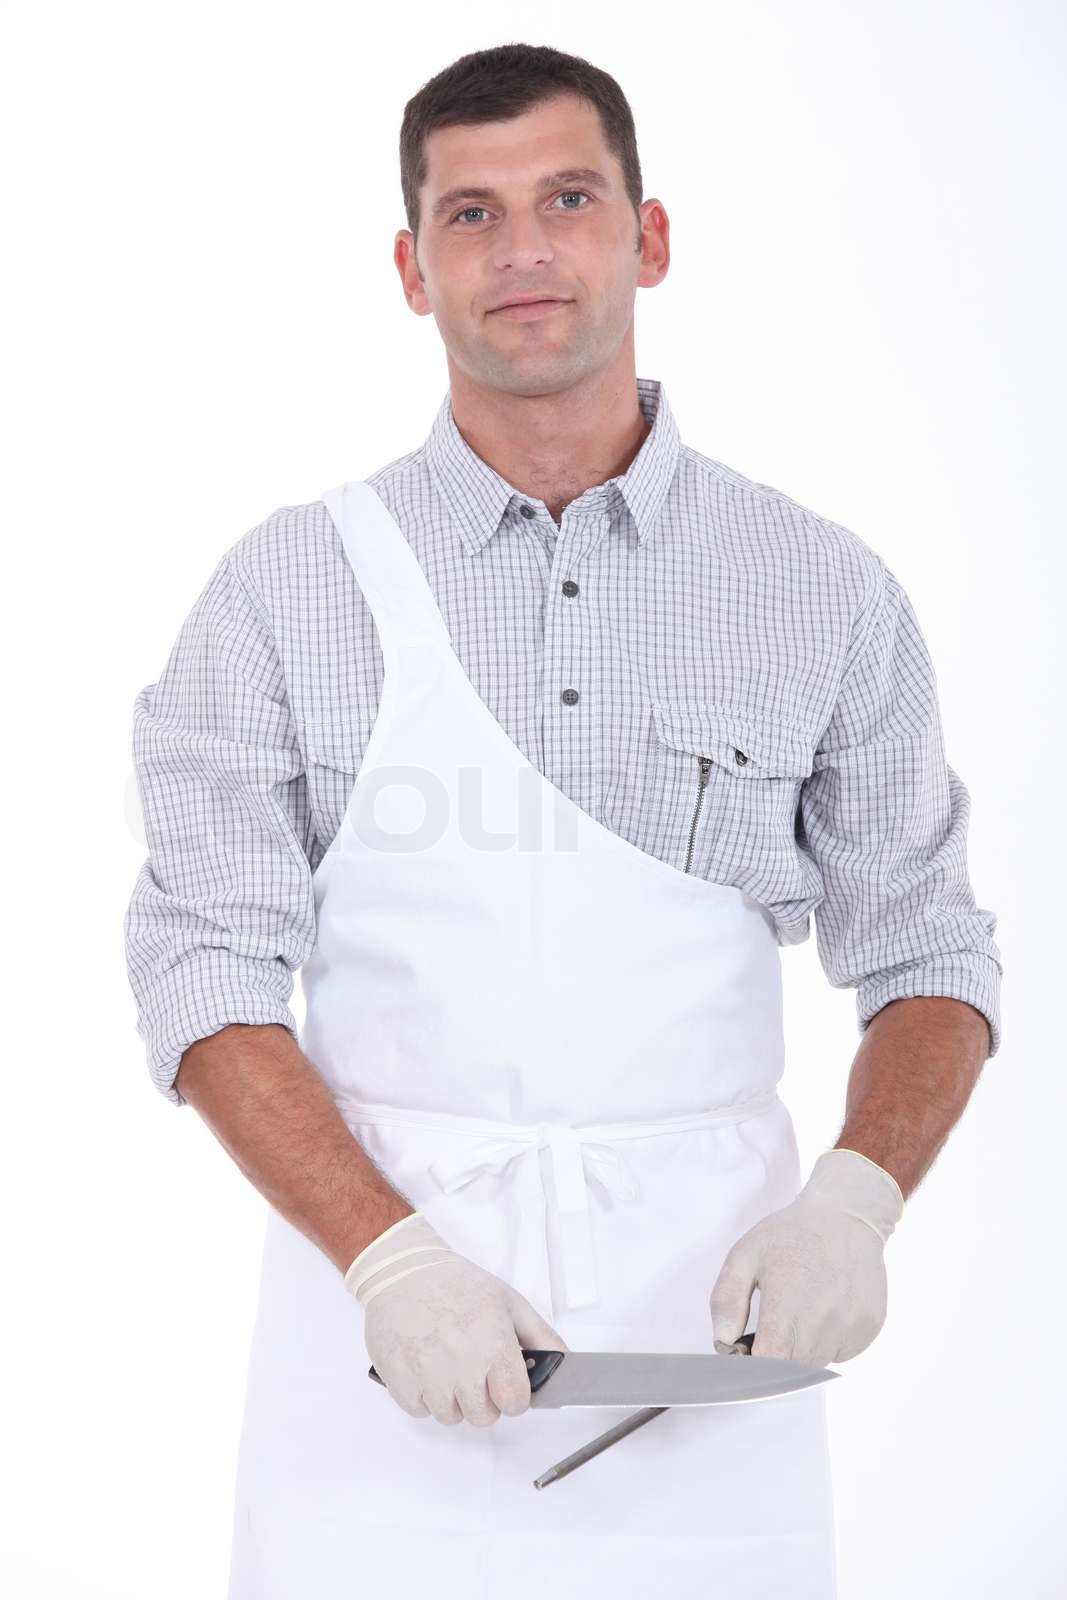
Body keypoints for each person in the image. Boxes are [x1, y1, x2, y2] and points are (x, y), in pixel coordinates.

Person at [123, 40, 1002, 1600]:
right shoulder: (287, 592)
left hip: (705, 1359)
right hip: (379, 1375)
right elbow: (201, 974)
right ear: (411, 270)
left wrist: (856, 1202)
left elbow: (929, 945)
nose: (523, 248)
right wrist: (389, 1259)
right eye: (470, 214)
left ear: (649, 238)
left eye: (569, 198)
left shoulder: (817, 588)